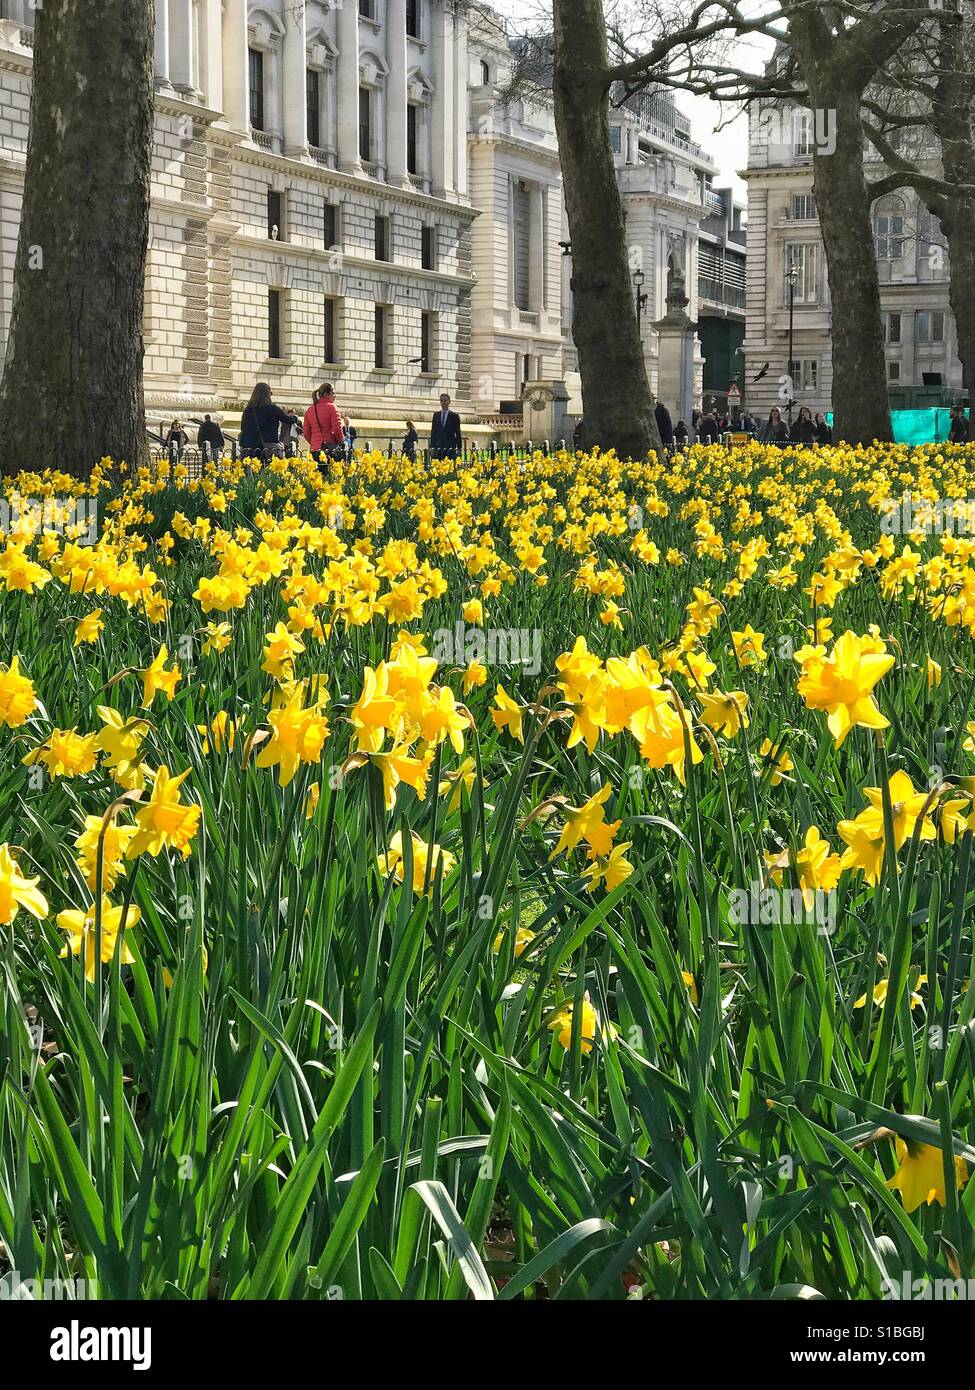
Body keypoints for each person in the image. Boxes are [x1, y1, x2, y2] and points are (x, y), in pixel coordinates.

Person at [239, 382, 298, 461]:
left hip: (250, 448)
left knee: (252, 471)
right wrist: (295, 418)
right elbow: (288, 420)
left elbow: (243, 427)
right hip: (268, 447)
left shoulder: (248, 409)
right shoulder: (272, 409)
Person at [303, 383, 345, 461]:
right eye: (333, 393)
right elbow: (337, 429)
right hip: (329, 449)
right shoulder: (332, 407)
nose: (335, 395)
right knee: (330, 472)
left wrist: (314, 442)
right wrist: (340, 441)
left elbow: (306, 433)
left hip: (314, 450)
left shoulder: (310, 410)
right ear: (326, 394)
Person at [430, 392, 462, 458]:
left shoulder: (454, 416)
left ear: (449, 402)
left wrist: (459, 448)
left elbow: (458, 433)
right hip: (438, 447)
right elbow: (433, 432)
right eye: (441, 400)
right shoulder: (436, 415)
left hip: (450, 448)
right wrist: (432, 447)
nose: (443, 402)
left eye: (445, 400)